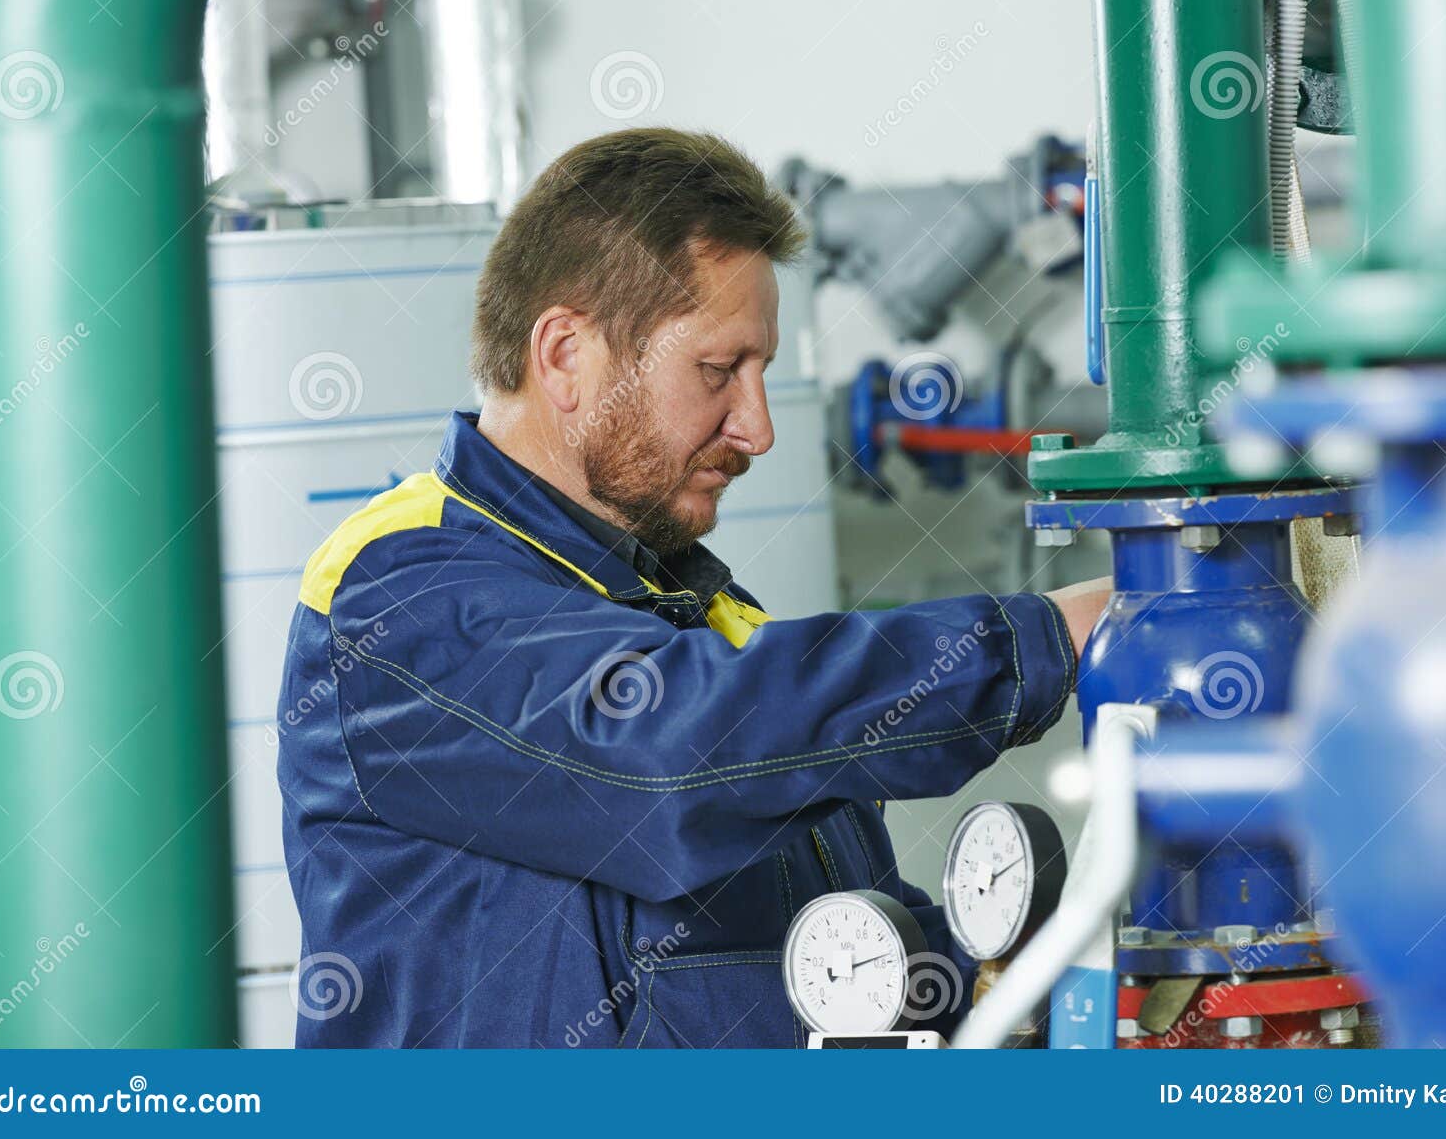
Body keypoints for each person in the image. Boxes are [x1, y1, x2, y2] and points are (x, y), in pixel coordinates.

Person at [277, 127, 1111, 1048]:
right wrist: (1046, 638)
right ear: (563, 355)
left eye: (760, 374)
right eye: (718, 371)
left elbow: (843, 960)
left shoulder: (700, 625)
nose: (756, 428)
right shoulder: (400, 597)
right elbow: (667, 759)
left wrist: (1045, 995)